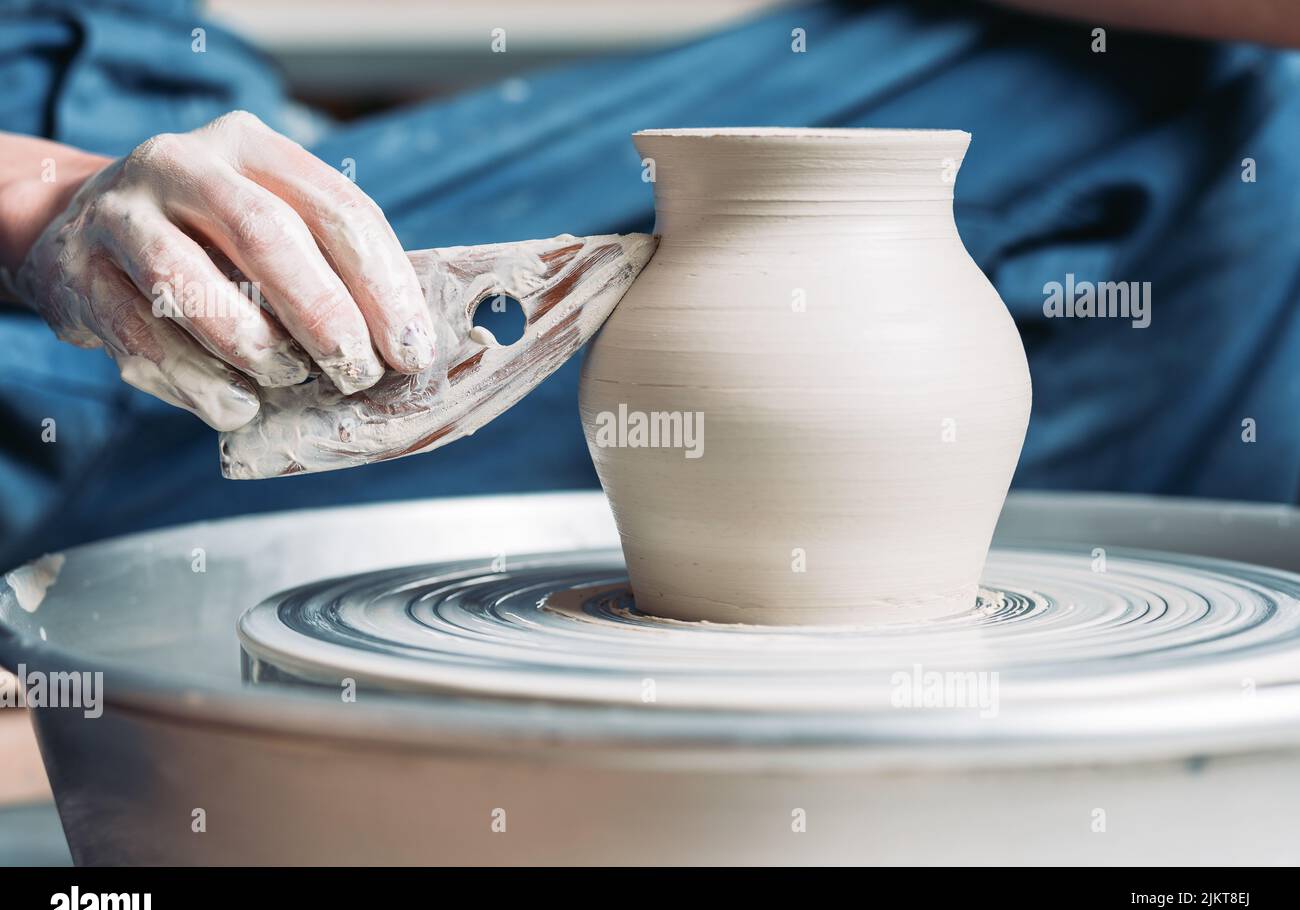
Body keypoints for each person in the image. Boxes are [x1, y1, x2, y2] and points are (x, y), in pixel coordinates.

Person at [1, 0, 1298, 571]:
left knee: (1237, 151)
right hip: (52, 308)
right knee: (1239, 141)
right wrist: (46, 209)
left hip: (220, 169)